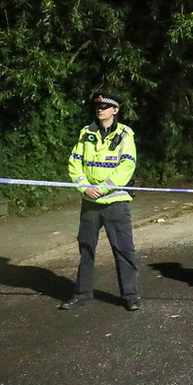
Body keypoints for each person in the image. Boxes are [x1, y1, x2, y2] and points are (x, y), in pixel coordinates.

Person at [61, 93, 140, 312]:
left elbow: (127, 166)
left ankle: (130, 296)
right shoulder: (86, 133)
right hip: (90, 202)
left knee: (124, 250)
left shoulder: (126, 135)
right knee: (86, 250)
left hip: (115, 202)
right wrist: (85, 187)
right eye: (98, 106)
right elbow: (74, 163)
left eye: (106, 106)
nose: (100, 109)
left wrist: (103, 188)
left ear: (115, 111)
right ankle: (82, 294)